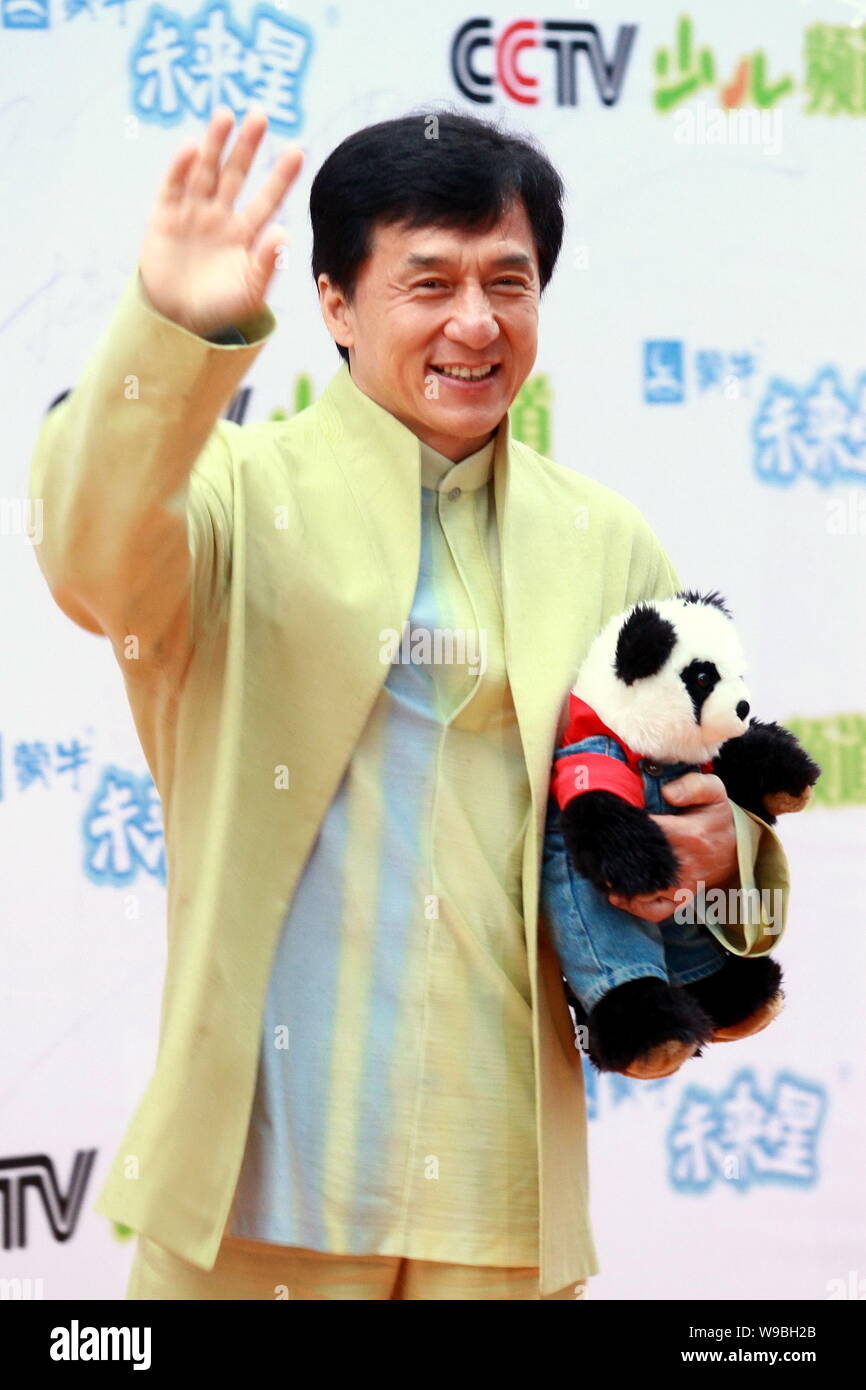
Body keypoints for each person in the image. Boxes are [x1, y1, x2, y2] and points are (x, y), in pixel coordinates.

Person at [28, 104, 790, 1301]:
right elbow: (89, 554)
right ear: (333, 303)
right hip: (254, 1186)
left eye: (509, 280)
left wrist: (723, 853)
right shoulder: (227, 492)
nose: (475, 323)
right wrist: (175, 328)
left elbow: (716, 820)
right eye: (426, 282)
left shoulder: (606, 545)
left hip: (500, 1192)